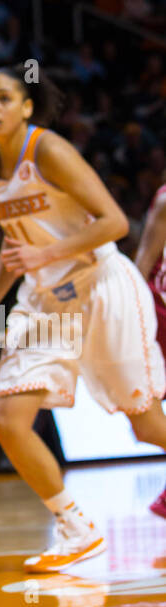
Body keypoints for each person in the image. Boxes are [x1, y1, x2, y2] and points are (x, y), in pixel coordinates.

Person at [0, 64, 166, 570]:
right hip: (45, 300)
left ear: (27, 106)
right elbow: (16, 241)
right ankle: (75, 527)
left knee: (145, 425)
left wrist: (46, 257)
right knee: (7, 421)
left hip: (100, 286)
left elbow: (116, 221)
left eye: (4, 98)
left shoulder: (49, 149)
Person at [132, 180, 166, 519]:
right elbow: (143, 261)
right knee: (143, 422)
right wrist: (132, 313)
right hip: (159, 315)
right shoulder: (165, 201)